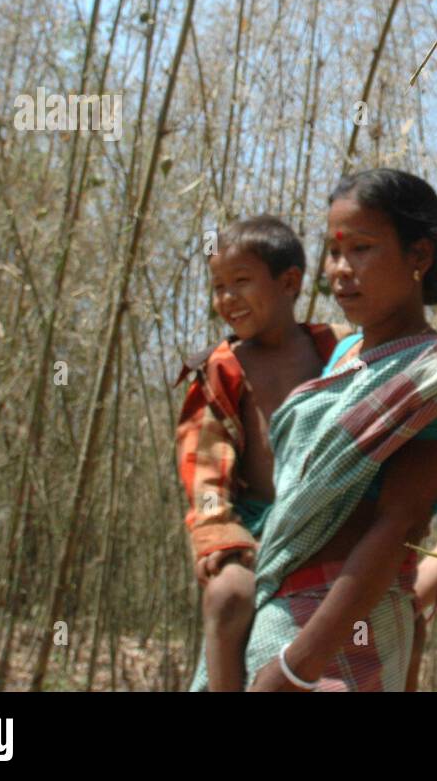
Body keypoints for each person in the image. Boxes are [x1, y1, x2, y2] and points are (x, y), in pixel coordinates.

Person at [242, 168, 437, 692]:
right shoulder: (344, 355)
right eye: (333, 251)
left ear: (419, 257)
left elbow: (398, 524)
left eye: (360, 248)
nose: (339, 270)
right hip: (283, 609)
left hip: (342, 628)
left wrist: (300, 664)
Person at [175, 215, 346, 691]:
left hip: (328, 521)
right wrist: (221, 536)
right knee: (228, 596)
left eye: (241, 282)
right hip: (253, 529)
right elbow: (203, 467)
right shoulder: (221, 371)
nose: (226, 298)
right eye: (218, 286)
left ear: (289, 282)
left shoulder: (338, 349)